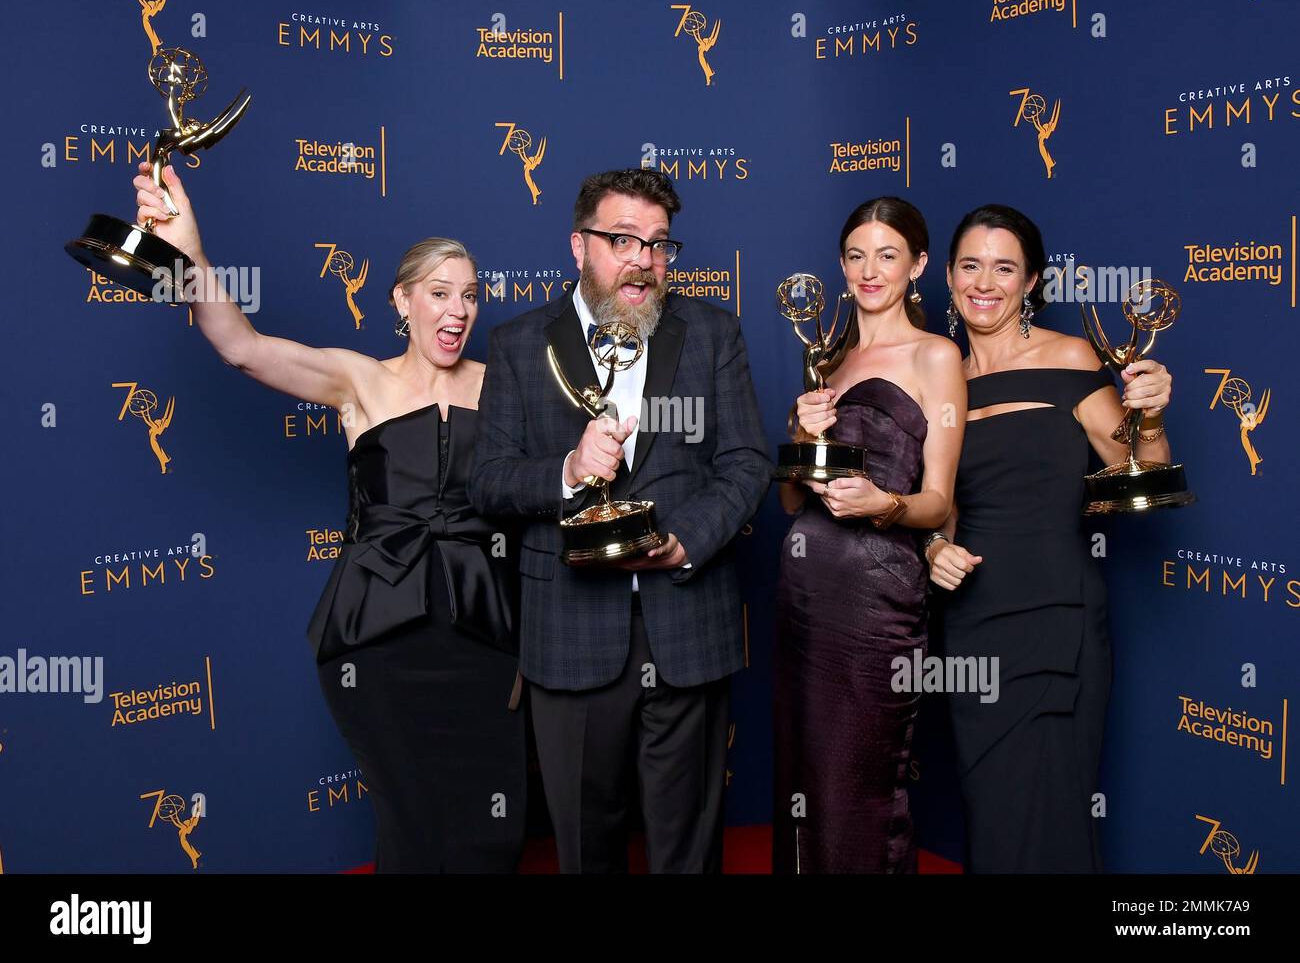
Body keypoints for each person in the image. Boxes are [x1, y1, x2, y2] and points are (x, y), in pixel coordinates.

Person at [131, 162, 525, 873]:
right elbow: (242, 348)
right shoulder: (357, 378)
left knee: (490, 822)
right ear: (401, 301)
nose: (458, 310)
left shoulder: (504, 388)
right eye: (439, 293)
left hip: (483, 638)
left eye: (469, 295)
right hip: (380, 640)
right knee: (412, 822)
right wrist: (189, 253)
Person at [468, 168, 771, 873]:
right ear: (578, 246)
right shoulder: (518, 344)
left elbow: (747, 463)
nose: (644, 260)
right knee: (585, 845)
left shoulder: (711, 332)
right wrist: (569, 470)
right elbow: (487, 482)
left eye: (659, 244)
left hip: (688, 626)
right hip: (570, 632)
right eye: (623, 239)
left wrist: (683, 540)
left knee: (686, 849)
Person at [926, 204, 1175, 873]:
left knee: (1052, 819)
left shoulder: (1069, 356)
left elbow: (1144, 468)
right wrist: (931, 550)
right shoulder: (934, 372)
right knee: (995, 820)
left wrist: (1147, 411)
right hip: (971, 626)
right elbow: (936, 504)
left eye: (1004, 267)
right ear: (948, 276)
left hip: (1056, 619)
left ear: (1031, 280)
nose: (985, 282)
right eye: (971, 265)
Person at [772, 197, 965, 873]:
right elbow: (795, 495)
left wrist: (884, 504)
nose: (869, 270)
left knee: (860, 779)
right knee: (807, 774)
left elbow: (938, 499)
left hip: (876, 595)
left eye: (887, 255)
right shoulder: (827, 355)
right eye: (856, 255)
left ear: (917, 265)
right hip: (806, 590)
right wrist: (802, 433)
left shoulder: (937, 356)